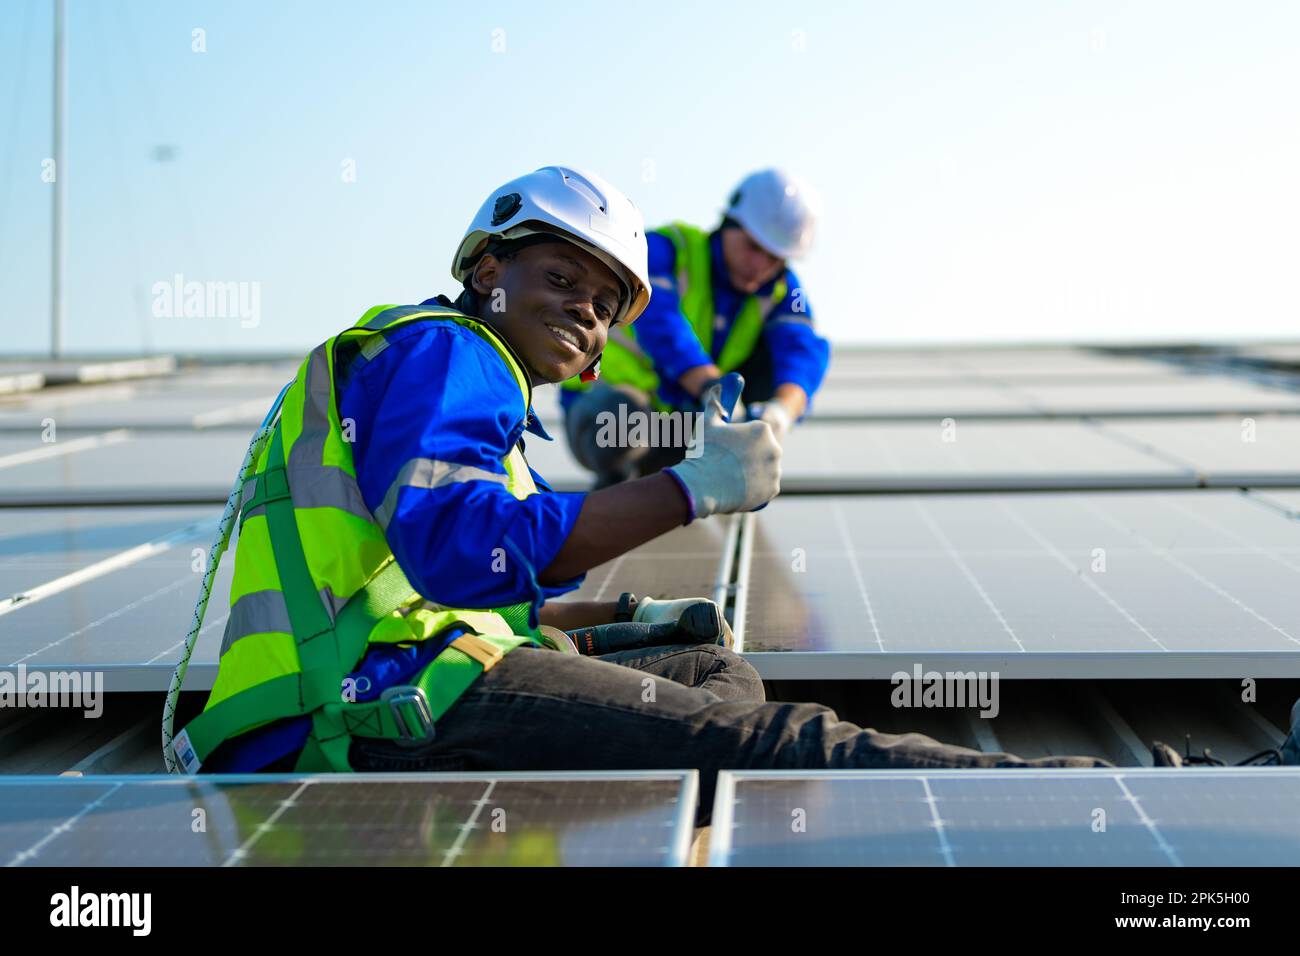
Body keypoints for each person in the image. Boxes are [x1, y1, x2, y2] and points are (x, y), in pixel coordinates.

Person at [172, 166, 1298, 825]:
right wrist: (692, 485)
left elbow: (424, 577)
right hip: (367, 712)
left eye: (605, 302)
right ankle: (1172, 798)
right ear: (487, 269)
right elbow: (465, 551)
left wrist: (597, 617)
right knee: (776, 734)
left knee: (705, 668)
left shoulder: (463, 376)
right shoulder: (446, 351)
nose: (587, 314)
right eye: (560, 278)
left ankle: (697, 767)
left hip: (397, 676)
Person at [561, 168, 831, 487]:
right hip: (603, 411)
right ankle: (619, 492)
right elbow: (658, 321)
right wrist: (715, 390)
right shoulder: (669, 250)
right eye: (753, 247)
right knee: (623, 425)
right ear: (729, 224)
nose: (760, 266)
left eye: (774, 258)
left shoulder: (784, 290)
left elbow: (803, 348)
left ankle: (686, 487)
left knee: (777, 367)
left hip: (678, 422)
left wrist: (782, 412)